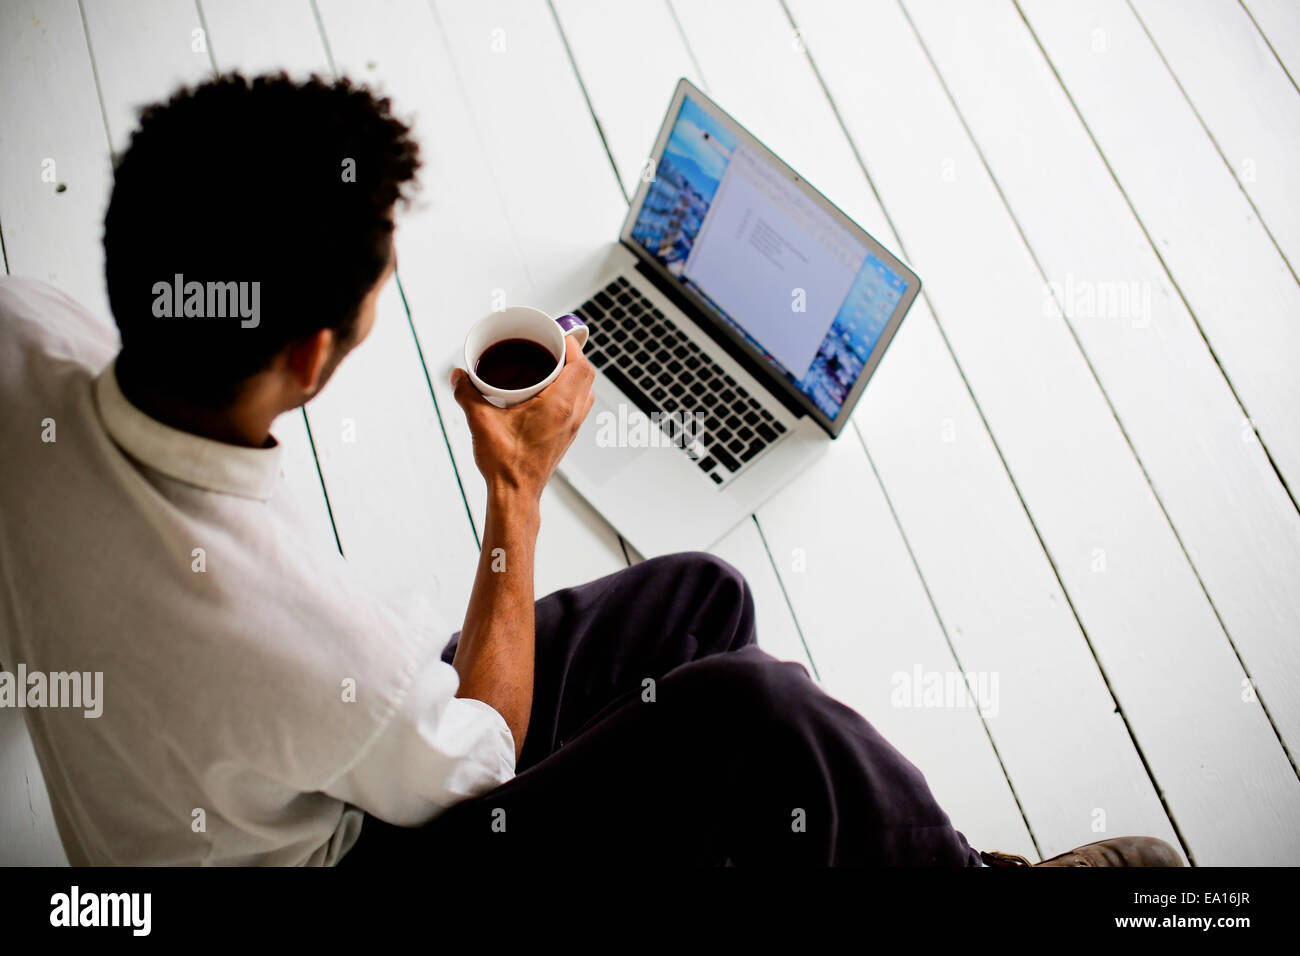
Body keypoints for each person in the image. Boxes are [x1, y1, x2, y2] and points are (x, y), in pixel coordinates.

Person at [0, 73, 1179, 868]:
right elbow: (476, 758)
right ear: (311, 353)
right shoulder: (303, 640)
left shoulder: (26, 343)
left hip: (254, 766)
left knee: (699, 601)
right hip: (354, 843)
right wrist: (515, 490)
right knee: (753, 709)